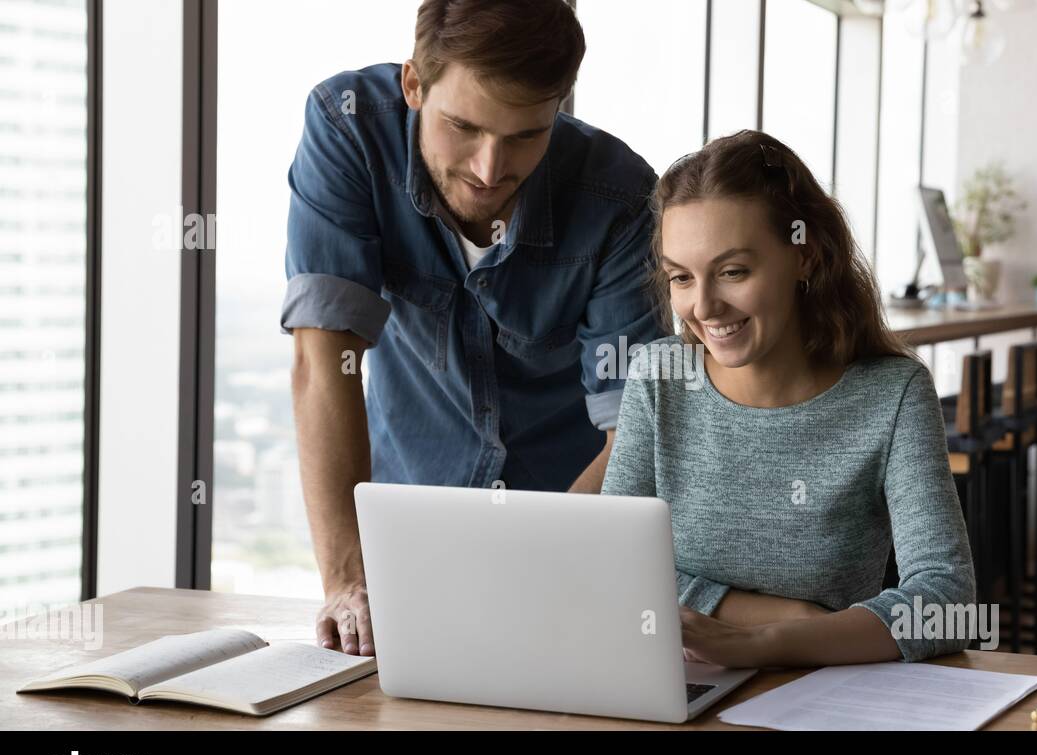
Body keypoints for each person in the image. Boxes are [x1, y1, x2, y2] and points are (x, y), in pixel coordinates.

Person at [283, 0, 663, 656]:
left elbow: (633, 429)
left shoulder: (621, 197)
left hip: (568, 555)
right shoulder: (348, 130)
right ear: (413, 85)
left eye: (525, 135)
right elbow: (324, 362)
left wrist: (530, 579)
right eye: (463, 126)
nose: (491, 170)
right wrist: (346, 582)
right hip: (403, 553)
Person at [601, 131, 977, 667]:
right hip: (674, 684)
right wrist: (788, 615)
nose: (703, 306)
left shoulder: (892, 396)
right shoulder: (659, 377)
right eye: (681, 277)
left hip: (823, 692)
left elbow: (947, 599)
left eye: (733, 272)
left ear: (805, 256)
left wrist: (763, 644)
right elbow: (617, 564)